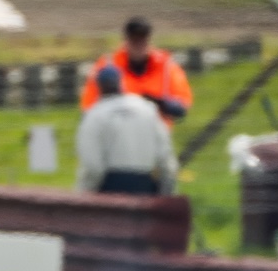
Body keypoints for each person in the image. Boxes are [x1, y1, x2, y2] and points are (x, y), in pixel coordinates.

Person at [77, 64, 178, 195]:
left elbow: (93, 167)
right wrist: (166, 191)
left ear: (98, 86)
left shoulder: (94, 115)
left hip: (110, 189)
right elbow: (165, 158)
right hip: (145, 186)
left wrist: (85, 194)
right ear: (121, 83)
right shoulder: (147, 109)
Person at [79, 16, 194, 121]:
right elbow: (88, 108)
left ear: (148, 40)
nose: (138, 45)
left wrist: (159, 103)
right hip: (118, 133)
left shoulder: (166, 66)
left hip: (155, 132)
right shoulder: (107, 66)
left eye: (142, 40)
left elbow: (181, 106)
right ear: (126, 40)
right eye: (134, 40)